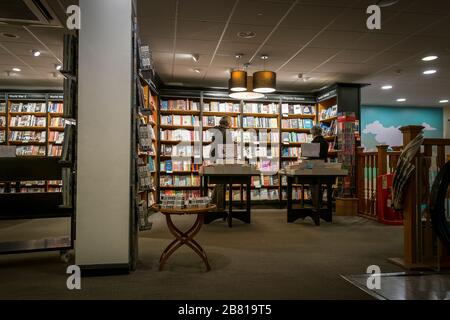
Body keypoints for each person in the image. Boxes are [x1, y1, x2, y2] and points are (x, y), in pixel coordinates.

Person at [210, 116, 234, 211]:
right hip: (223, 160)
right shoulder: (226, 132)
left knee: (219, 182)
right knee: (222, 184)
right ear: (228, 123)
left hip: (216, 158)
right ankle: (219, 207)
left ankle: (212, 202)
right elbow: (229, 148)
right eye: (231, 122)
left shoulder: (216, 130)